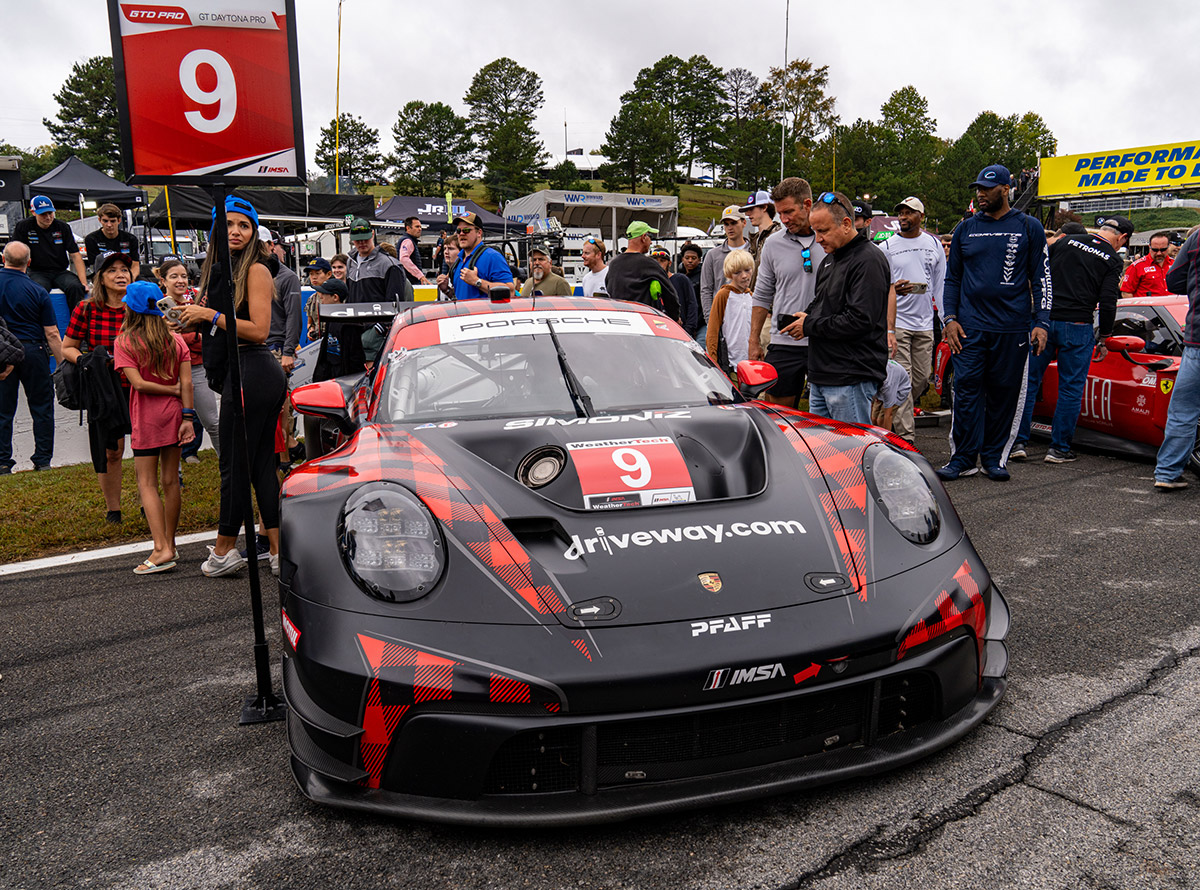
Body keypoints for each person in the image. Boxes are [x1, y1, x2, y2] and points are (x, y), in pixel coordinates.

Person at [177, 196, 286, 577]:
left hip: (252, 373)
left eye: (244, 225)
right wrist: (194, 321)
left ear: (254, 232)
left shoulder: (255, 269)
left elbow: (258, 330)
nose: (236, 231)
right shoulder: (223, 270)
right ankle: (276, 550)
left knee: (234, 466)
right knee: (256, 467)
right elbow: (223, 324)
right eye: (229, 224)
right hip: (244, 375)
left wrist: (210, 314)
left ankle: (225, 550)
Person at [937, 164, 1051, 482]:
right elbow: (952, 279)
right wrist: (950, 318)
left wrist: (1041, 321)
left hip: (1013, 328)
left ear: (1005, 189)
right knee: (966, 392)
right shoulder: (965, 229)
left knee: (1004, 395)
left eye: (987, 188)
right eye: (978, 188)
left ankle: (993, 457)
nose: (980, 193)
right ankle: (962, 459)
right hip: (969, 328)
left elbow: (1042, 277)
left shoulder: (1029, 227)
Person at [1011, 216, 1127, 464]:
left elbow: (1035, 271)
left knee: (1029, 382)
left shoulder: (1067, 241)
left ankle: (1017, 442)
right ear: (1122, 238)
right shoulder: (1113, 259)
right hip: (1077, 325)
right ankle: (1059, 449)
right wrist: (1104, 336)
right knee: (1070, 389)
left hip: (1043, 320)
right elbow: (1108, 301)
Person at [114, 280, 194, 574]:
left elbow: (137, 383)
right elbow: (187, 382)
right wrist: (187, 415)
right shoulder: (176, 341)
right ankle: (170, 543)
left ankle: (161, 548)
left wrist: (170, 391)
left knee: (146, 482)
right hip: (175, 416)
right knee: (171, 481)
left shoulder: (125, 341)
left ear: (130, 308)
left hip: (147, 418)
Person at [791, 191, 890, 424]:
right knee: (822, 455)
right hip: (821, 374)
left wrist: (810, 324)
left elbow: (860, 320)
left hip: (850, 376)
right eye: (815, 231)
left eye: (823, 231)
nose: (818, 239)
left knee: (852, 455)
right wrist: (805, 316)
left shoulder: (869, 260)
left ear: (846, 224)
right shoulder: (829, 259)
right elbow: (822, 303)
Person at [62, 250, 135, 521]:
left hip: (140, 385)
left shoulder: (138, 305)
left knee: (145, 450)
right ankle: (113, 509)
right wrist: (87, 361)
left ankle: (147, 502)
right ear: (100, 279)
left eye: (124, 270)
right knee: (112, 451)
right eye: (112, 270)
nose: (120, 275)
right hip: (105, 390)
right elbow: (67, 347)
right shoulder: (87, 308)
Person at [749, 177, 827, 409]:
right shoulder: (773, 244)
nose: (784, 219)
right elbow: (762, 294)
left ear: (807, 204)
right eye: (780, 213)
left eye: (789, 212)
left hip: (825, 339)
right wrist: (754, 340)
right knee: (779, 414)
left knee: (828, 414)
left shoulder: (830, 239)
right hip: (784, 341)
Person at [879, 196, 945, 444]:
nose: (903, 217)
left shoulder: (933, 244)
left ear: (921, 216)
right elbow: (882, 285)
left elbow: (940, 283)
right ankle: (906, 438)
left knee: (919, 380)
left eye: (909, 213)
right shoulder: (887, 246)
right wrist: (895, 289)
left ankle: (889, 413)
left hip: (926, 322)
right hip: (898, 324)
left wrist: (944, 318)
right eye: (901, 213)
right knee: (902, 376)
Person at [0, 242, 63, 473]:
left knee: (3, 410)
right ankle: (43, 459)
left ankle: (3, 461)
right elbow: (52, 333)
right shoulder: (38, 291)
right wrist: (63, 364)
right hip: (32, 351)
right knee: (42, 407)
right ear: (29, 262)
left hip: (1, 353)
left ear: (2, 258)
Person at [160, 257, 219, 463]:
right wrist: (193, 337)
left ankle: (227, 465)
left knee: (212, 422)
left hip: (197, 368)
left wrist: (189, 337)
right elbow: (161, 342)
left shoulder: (197, 299)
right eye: (174, 276)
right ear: (163, 280)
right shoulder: (158, 307)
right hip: (168, 371)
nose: (180, 281)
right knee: (170, 426)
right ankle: (175, 475)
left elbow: (209, 336)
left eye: (184, 276)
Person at [1154, 227, 1200, 490]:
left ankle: (1168, 473)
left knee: (1183, 410)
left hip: (1196, 338)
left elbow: (1174, 282)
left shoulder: (1196, 237)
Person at [304, 277, 366, 459]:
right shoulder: (330, 318)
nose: (320, 299)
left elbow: (354, 358)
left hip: (344, 385)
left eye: (323, 296)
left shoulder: (350, 323)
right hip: (329, 379)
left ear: (335, 298)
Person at [259, 226, 302, 462]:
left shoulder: (286, 277)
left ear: (270, 246)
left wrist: (288, 351)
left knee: (280, 407)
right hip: (255, 347)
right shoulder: (247, 273)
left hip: (275, 348)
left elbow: (295, 317)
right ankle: (284, 450)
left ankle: (286, 458)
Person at [11, 196, 88, 312]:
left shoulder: (63, 227)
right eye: (43, 214)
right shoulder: (23, 226)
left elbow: (75, 255)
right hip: (37, 271)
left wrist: (84, 282)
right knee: (37, 290)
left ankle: (80, 324)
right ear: (33, 213)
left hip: (60, 271)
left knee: (76, 287)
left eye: (50, 213)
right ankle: (39, 326)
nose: (48, 217)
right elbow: (15, 253)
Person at [604, 221, 676, 317]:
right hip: (643, 319)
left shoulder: (614, 263)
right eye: (650, 237)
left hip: (619, 319)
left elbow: (608, 288)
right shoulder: (649, 264)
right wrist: (675, 316)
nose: (650, 242)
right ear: (643, 237)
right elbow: (670, 294)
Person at [437, 212, 513, 301]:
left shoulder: (492, 257)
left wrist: (477, 281)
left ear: (479, 233)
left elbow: (510, 292)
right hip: (464, 314)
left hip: (484, 314)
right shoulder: (459, 261)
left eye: (466, 230)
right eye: (458, 231)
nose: (461, 234)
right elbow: (462, 298)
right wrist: (447, 290)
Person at [706, 250, 755, 372]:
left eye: (747, 270)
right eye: (737, 272)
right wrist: (714, 361)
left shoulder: (752, 297)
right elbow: (713, 329)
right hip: (730, 364)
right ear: (730, 274)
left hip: (752, 363)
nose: (744, 276)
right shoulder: (723, 295)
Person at [700, 205, 750, 322]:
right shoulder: (713, 255)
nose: (729, 228)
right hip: (723, 316)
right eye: (726, 224)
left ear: (744, 223)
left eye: (733, 223)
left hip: (749, 316)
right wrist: (710, 320)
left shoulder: (754, 251)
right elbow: (706, 289)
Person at [345, 218, 411, 305]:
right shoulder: (350, 262)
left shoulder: (390, 265)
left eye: (365, 238)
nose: (362, 242)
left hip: (379, 317)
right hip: (355, 316)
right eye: (358, 240)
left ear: (372, 234)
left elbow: (394, 303)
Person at [651, 245, 700, 336]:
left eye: (662, 261)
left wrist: (688, 330)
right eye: (655, 261)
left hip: (681, 330)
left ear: (669, 263)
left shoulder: (680, 279)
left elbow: (692, 305)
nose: (658, 264)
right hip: (659, 331)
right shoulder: (651, 283)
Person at [84, 204, 140, 279]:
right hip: (103, 276)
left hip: (127, 275)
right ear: (99, 220)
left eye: (113, 221)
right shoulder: (91, 239)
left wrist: (129, 280)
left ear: (119, 220)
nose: (109, 225)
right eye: (105, 221)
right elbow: (96, 267)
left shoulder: (131, 239)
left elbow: (135, 265)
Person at [742, 190, 781, 289]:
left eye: (751, 209)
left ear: (764, 207)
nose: (747, 214)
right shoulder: (755, 240)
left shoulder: (778, 237)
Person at [1120, 231, 1174, 297]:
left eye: (1163, 250)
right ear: (1149, 247)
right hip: (1147, 306)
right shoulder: (1136, 266)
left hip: (1172, 305)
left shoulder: (1175, 264)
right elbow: (1126, 293)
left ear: (1168, 247)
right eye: (1155, 250)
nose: (1159, 253)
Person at [872, 358, 913, 431]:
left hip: (898, 391)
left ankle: (887, 438)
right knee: (873, 419)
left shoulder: (888, 384)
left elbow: (889, 414)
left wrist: (886, 437)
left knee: (880, 421)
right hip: (881, 386)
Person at [304, 257, 333, 342]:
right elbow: (310, 322)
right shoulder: (312, 299)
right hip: (318, 342)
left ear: (328, 274)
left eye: (317, 273)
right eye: (311, 274)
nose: (314, 277)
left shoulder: (335, 296)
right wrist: (311, 329)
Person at [398, 216, 429, 286]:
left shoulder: (409, 240)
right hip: (410, 284)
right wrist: (420, 275)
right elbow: (403, 259)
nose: (420, 229)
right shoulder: (408, 241)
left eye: (420, 227)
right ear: (408, 228)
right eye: (417, 227)